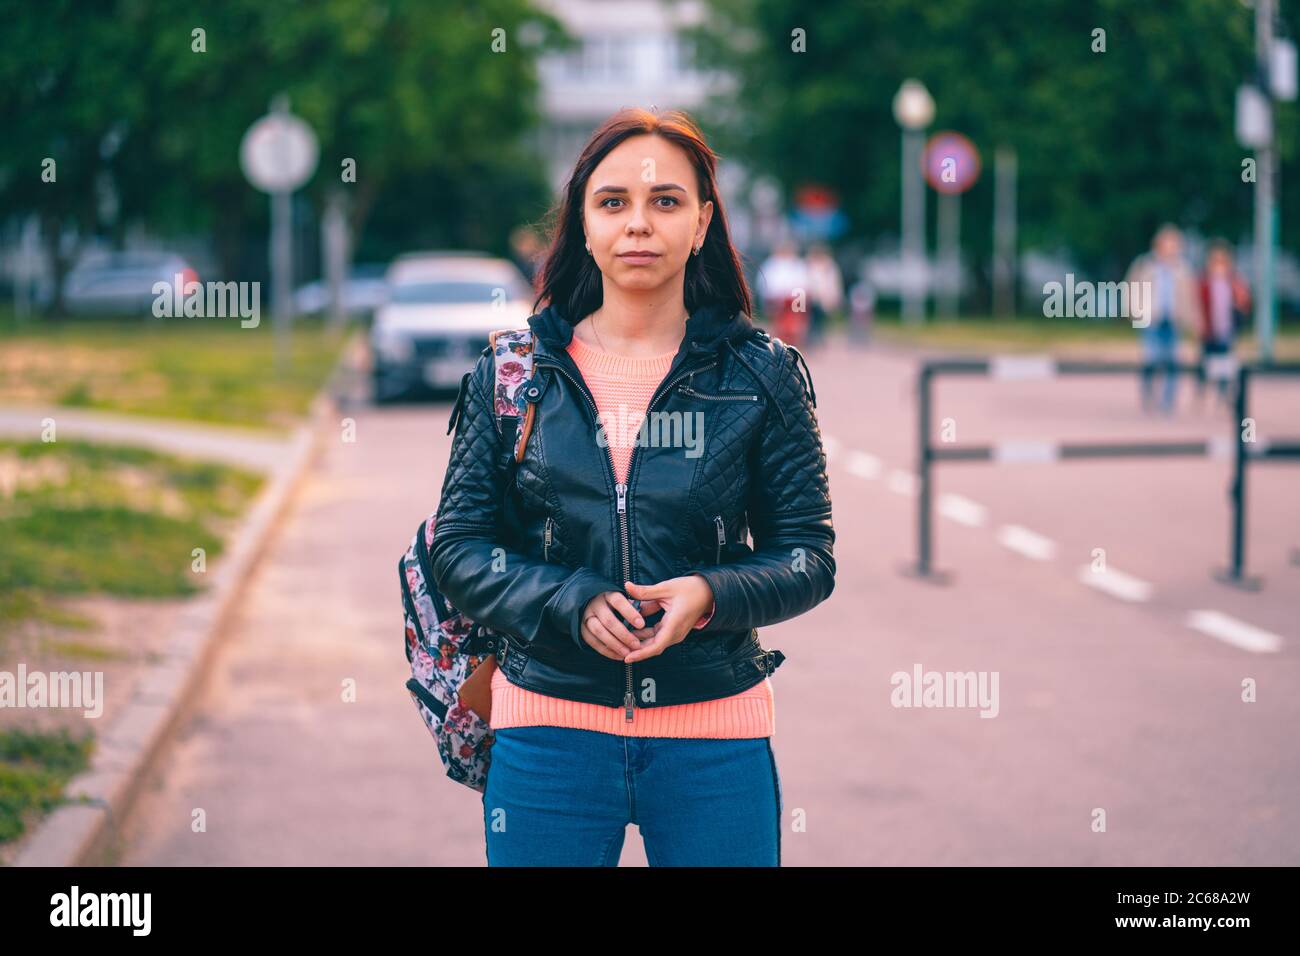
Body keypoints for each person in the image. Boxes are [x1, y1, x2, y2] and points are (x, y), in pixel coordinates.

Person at [429, 107, 836, 866]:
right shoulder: (514, 373)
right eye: (613, 202)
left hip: (714, 739)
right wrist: (570, 600)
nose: (639, 224)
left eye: (666, 202)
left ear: (704, 222)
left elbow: (808, 556)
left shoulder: (762, 375)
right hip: (548, 734)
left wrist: (710, 596)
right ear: (584, 224)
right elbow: (458, 547)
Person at [1124, 224, 1202, 414]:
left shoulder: (1183, 269)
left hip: (1173, 320)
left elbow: (1191, 297)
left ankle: (1168, 403)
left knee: (1172, 361)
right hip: (1151, 318)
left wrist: (1194, 319)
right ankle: (1148, 394)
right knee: (1151, 358)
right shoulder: (1145, 265)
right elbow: (1131, 288)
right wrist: (1133, 312)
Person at [1196, 240, 1250, 410]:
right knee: (1206, 364)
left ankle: (1223, 397)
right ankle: (1203, 395)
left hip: (1227, 330)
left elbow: (1244, 302)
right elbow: (1197, 304)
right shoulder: (1204, 282)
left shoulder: (1233, 282)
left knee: (1226, 366)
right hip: (1209, 330)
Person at [757, 237, 811, 345]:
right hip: (776, 300)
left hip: (794, 299)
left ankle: (796, 334)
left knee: (799, 303)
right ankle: (781, 335)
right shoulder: (770, 264)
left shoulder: (797, 264)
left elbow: (805, 284)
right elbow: (764, 285)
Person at [804, 241, 845, 347]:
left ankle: (818, 338)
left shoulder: (829, 266)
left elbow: (833, 283)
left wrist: (834, 297)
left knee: (820, 319)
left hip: (823, 297)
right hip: (810, 296)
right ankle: (812, 338)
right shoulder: (809, 264)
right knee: (811, 318)